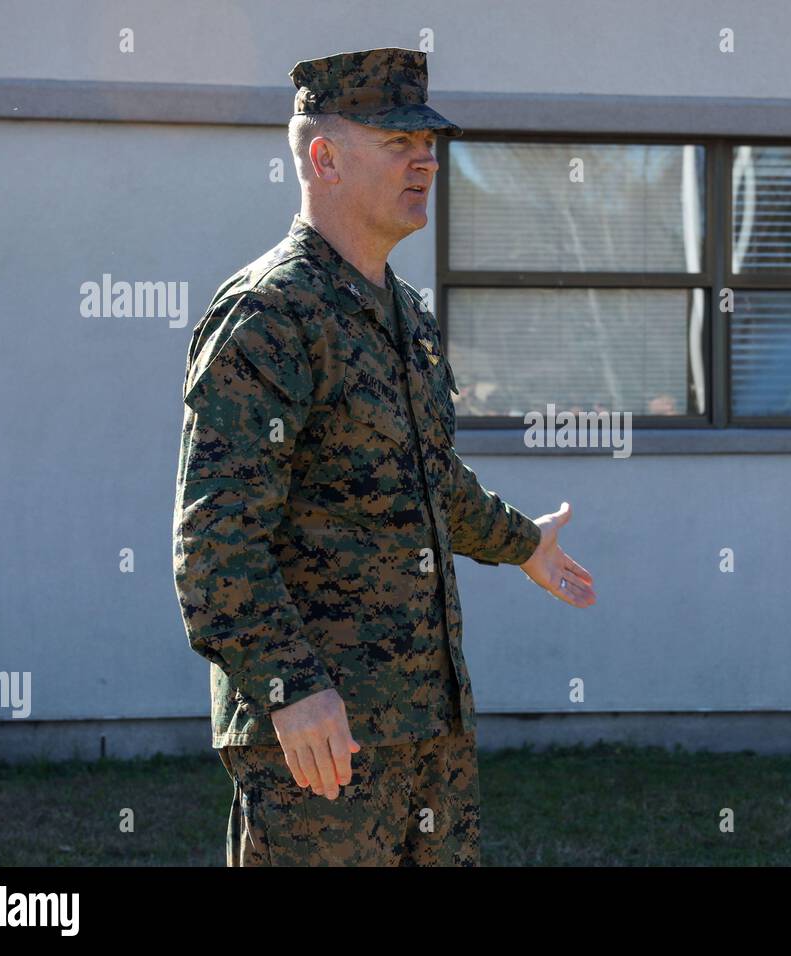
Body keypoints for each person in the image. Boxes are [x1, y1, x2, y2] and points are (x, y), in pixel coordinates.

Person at [171, 47, 596, 866]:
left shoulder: (406, 316)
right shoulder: (271, 316)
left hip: (426, 729)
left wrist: (522, 543)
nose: (426, 159)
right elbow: (214, 544)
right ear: (323, 157)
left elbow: (428, 482)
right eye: (399, 141)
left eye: (429, 142)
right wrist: (291, 686)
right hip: (322, 748)